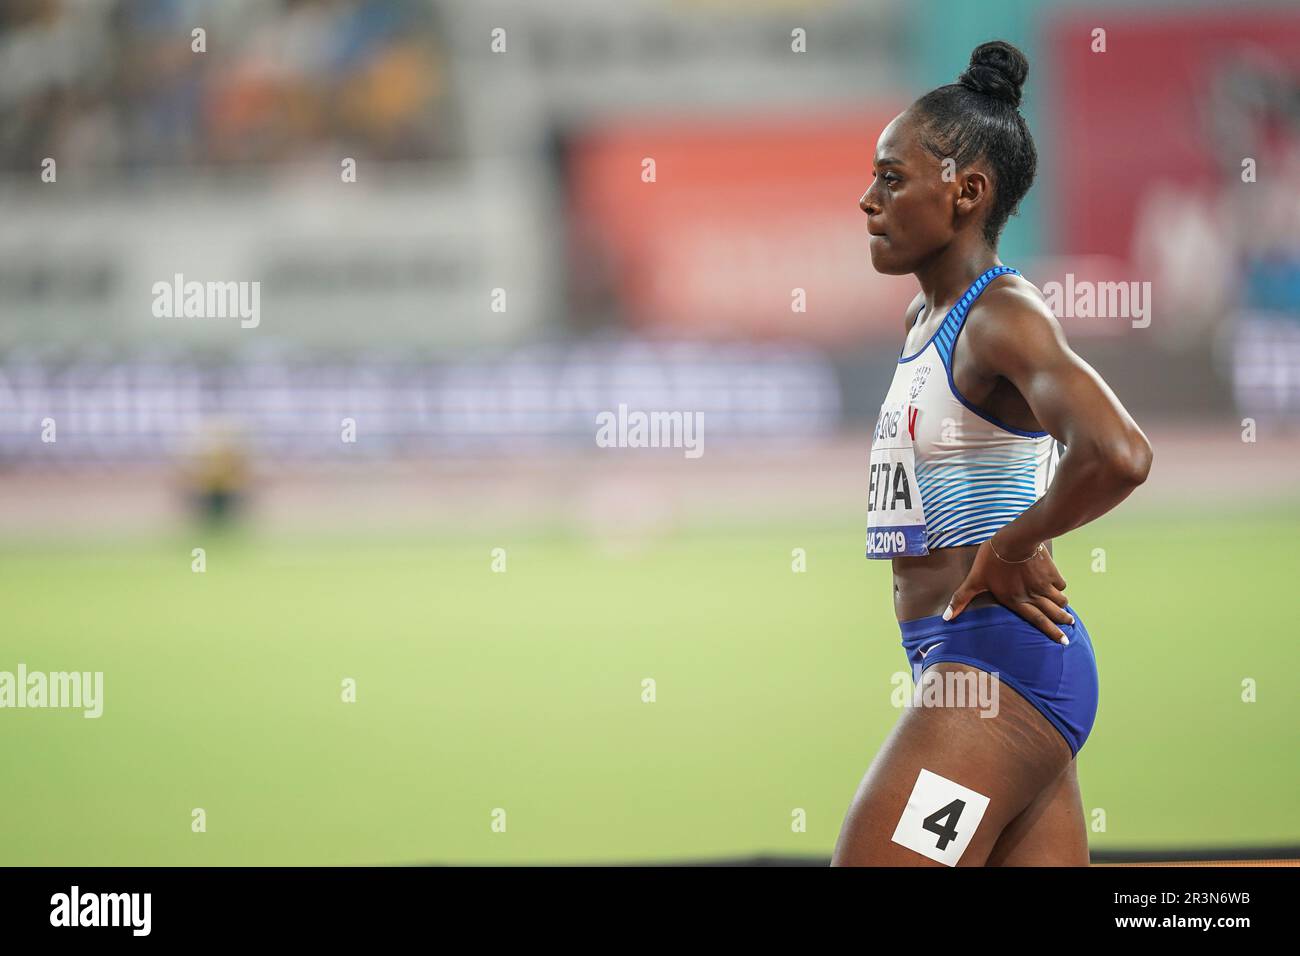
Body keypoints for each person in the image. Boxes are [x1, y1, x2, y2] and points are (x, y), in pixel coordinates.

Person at [833, 40, 1153, 866]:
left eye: (891, 179)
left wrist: (1011, 543)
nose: (868, 201)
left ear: (966, 193)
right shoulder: (924, 323)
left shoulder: (1000, 314)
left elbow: (1118, 452)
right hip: (978, 668)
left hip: (994, 671)